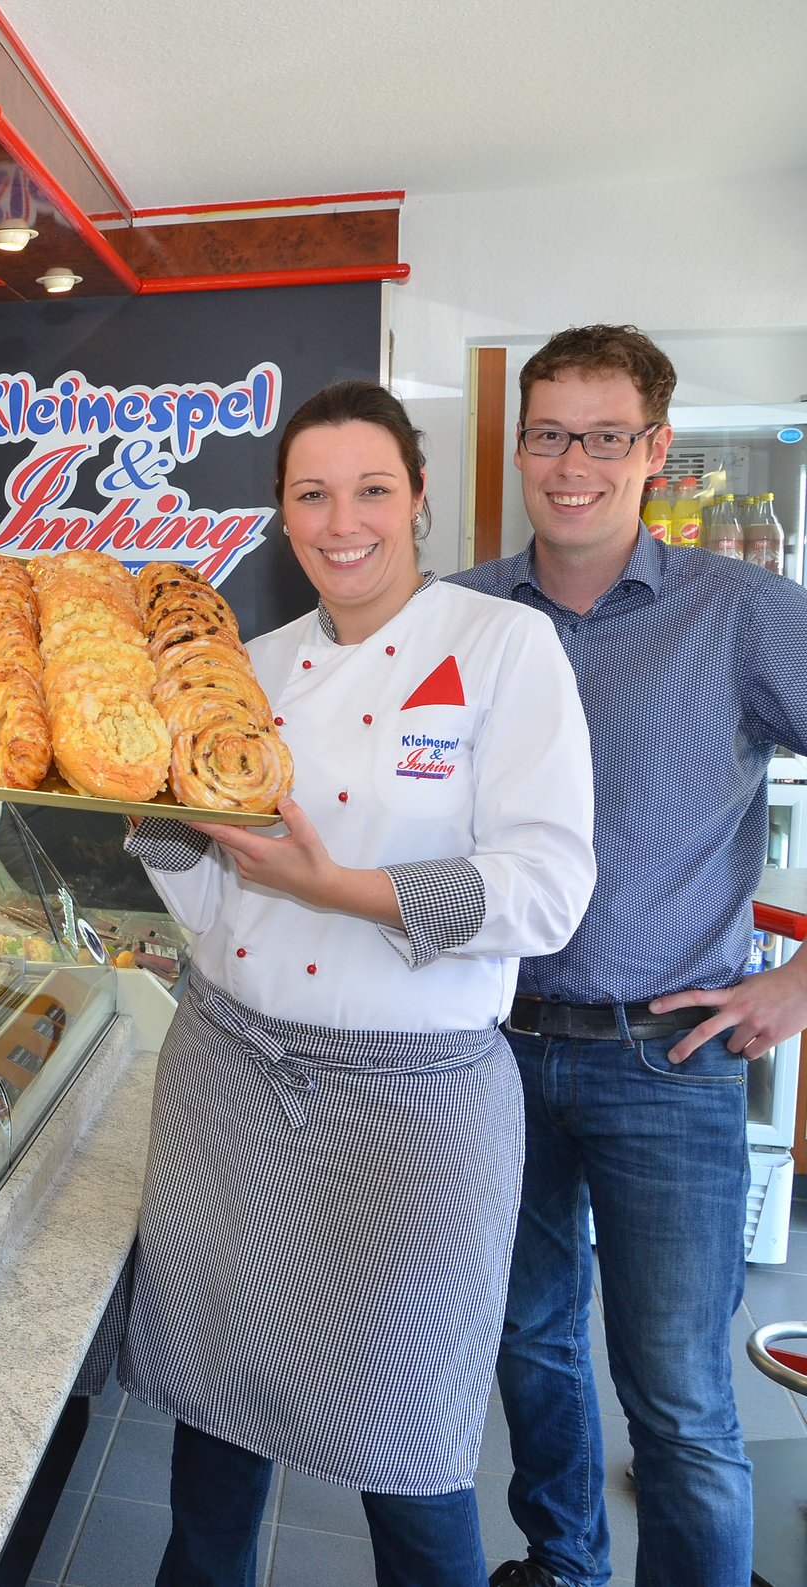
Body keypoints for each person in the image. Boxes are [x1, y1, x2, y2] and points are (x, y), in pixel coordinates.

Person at [118, 381, 597, 1587]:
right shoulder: (244, 668)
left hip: (416, 1108)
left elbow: (545, 890)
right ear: (282, 516)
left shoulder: (502, 645)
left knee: (412, 1454)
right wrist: (151, 812)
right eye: (310, 494)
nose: (343, 521)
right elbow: (217, 898)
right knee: (215, 1429)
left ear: (418, 498)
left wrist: (343, 888)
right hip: (229, 1076)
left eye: (370, 489)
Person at [453, 325, 807, 1587]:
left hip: (669, 1060)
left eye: (604, 436)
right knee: (528, 1350)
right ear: (519, 445)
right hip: (490, 1051)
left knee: (677, 1399)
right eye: (548, 432)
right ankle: (562, 1567)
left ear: (652, 451)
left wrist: (797, 982)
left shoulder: (742, 614)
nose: (571, 464)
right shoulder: (466, 612)